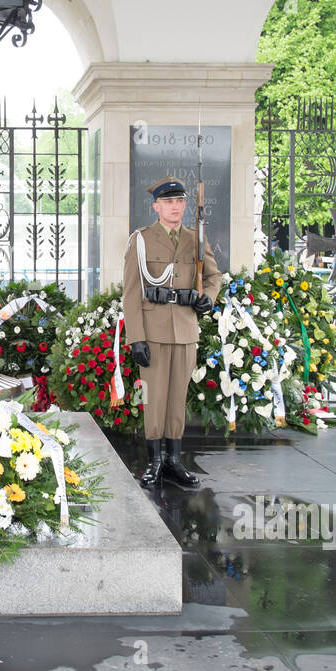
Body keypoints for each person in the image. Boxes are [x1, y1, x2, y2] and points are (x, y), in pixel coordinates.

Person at [122, 176, 221, 488]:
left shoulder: (196, 238)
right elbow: (131, 292)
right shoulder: (141, 240)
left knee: (177, 398)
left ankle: (174, 460)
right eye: (168, 202)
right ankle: (153, 461)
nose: (174, 207)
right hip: (153, 331)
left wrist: (207, 298)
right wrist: (136, 337)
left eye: (179, 201)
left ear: (184, 205)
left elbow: (214, 276)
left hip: (186, 330)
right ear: (156, 206)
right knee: (154, 398)